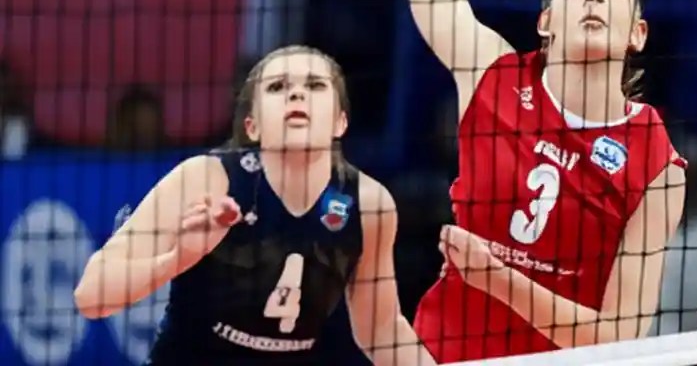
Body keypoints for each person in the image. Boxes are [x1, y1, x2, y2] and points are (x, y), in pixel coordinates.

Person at [398, 0, 687, 362]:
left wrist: (498, 279)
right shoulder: (491, 73)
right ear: (546, 22)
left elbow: (618, 338)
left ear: (637, 34)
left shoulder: (658, 165)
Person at [74, 45, 433, 366]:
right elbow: (90, 294)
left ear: (341, 122)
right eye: (278, 87)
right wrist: (176, 260)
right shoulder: (206, 180)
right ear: (253, 126)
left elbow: (382, 332)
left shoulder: (369, 204)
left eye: (315, 86)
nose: (296, 93)